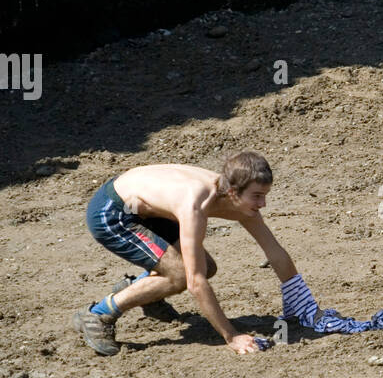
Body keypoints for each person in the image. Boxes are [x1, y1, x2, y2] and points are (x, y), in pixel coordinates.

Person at [74, 152, 294, 357]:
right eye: (257, 196)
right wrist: (232, 336)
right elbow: (195, 282)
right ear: (233, 192)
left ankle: (141, 291)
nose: (262, 204)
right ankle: (98, 315)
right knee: (180, 275)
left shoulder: (239, 192)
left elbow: (274, 250)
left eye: (264, 195)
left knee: (206, 266)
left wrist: (304, 305)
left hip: (148, 207)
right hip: (114, 211)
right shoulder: (195, 203)